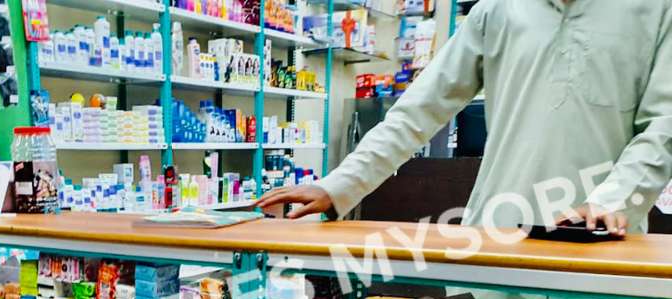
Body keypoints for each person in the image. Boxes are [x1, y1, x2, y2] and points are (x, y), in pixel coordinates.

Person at [257, 0, 672, 236]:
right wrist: (340, 184)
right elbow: (420, 108)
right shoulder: (499, 9)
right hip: (493, 234)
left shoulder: (655, 11)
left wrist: (614, 200)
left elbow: (663, 125)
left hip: (601, 241)